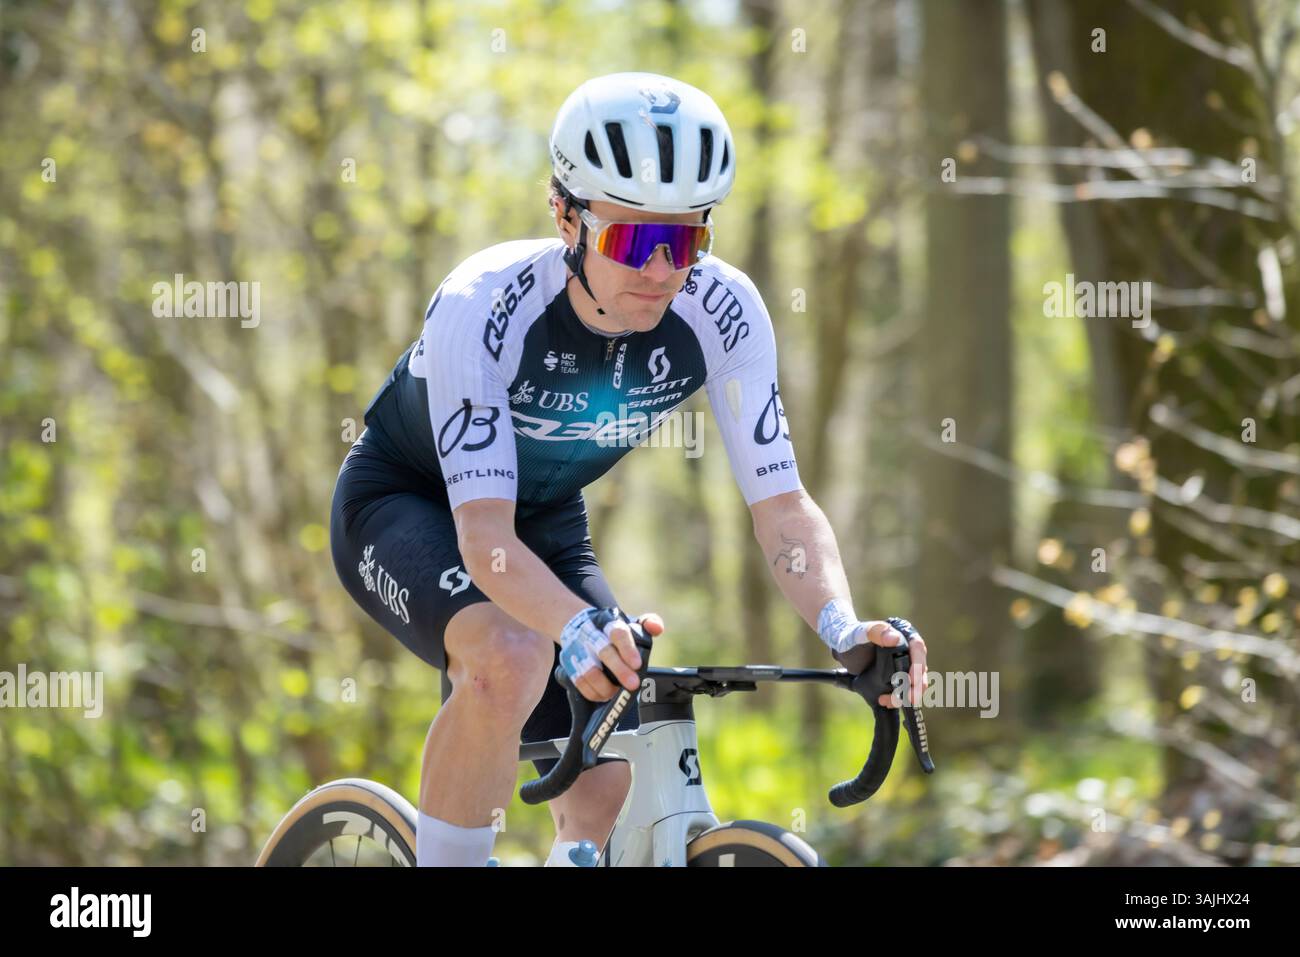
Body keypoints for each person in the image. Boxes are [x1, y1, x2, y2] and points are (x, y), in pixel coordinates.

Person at [329, 71, 928, 867]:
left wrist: (843, 625)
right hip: (408, 502)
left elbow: (783, 507)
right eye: (632, 239)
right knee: (510, 657)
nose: (660, 269)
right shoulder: (483, 303)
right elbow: (484, 540)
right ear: (564, 217)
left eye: (684, 240)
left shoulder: (725, 312)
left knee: (610, 769)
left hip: (542, 523)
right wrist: (571, 626)